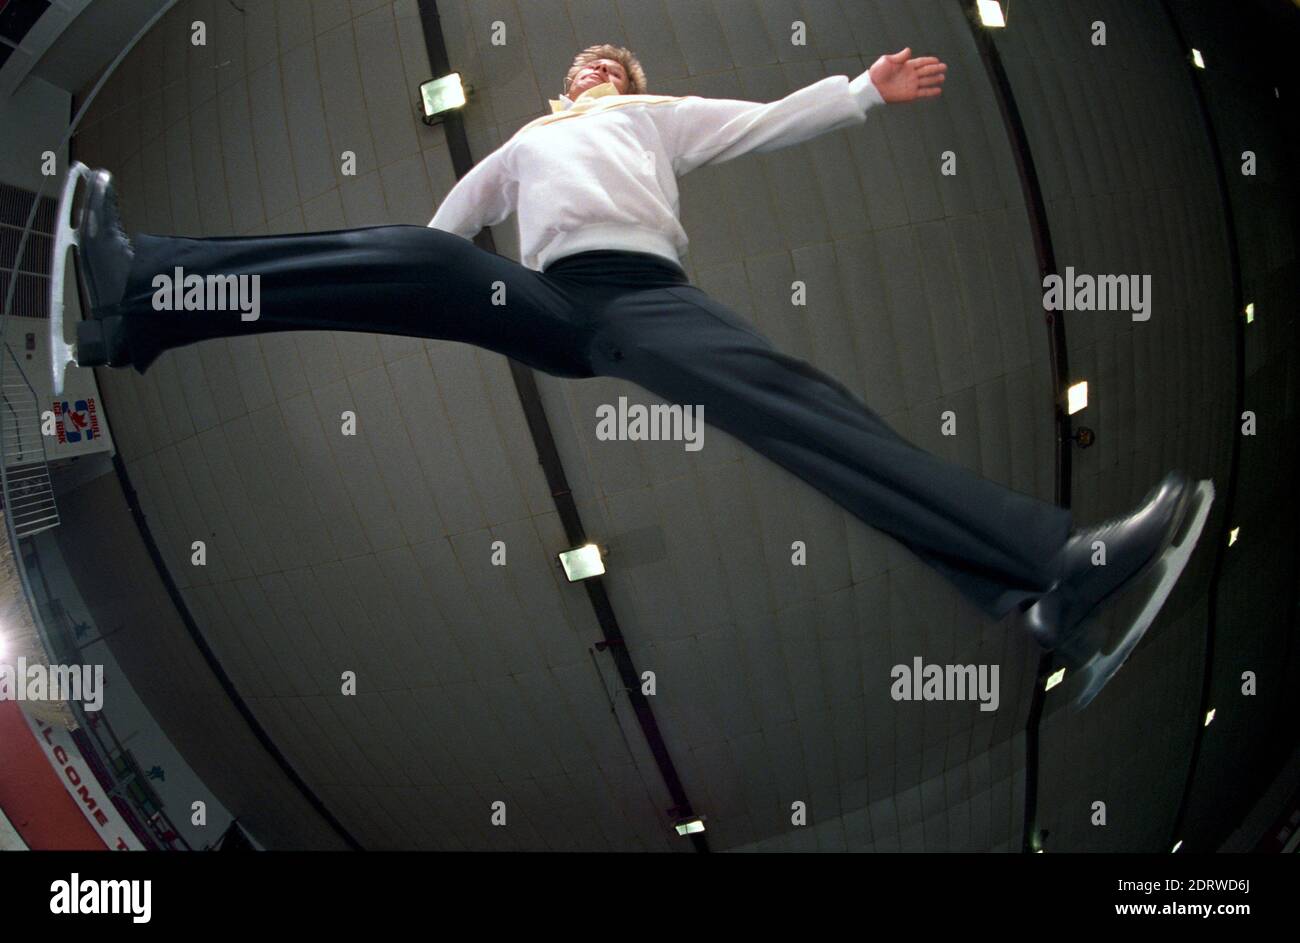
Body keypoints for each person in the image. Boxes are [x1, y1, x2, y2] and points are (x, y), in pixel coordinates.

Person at [58, 44, 1211, 710]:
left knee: (801, 410)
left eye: (609, 60)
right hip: (549, 298)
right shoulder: (522, 143)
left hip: (644, 300)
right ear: (562, 91)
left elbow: (759, 122)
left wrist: (861, 93)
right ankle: (144, 298)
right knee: (413, 253)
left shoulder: (654, 118)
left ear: (627, 81)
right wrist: (399, 276)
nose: (591, 66)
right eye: (580, 64)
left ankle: (1047, 578)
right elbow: (438, 236)